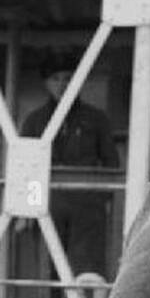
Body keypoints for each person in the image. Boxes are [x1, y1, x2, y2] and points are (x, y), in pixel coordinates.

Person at [20, 50, 120, 280]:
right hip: (48, 207)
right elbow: (27, 169)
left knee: (88, 272)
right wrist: (32, 208)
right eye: (55, 79)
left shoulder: (96, 119)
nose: (62, 85)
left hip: (86, 210)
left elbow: (111, 163)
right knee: (48, 274)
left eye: (67, 78)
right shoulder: (34, 121)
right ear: (46, 83)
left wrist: (94, 201)